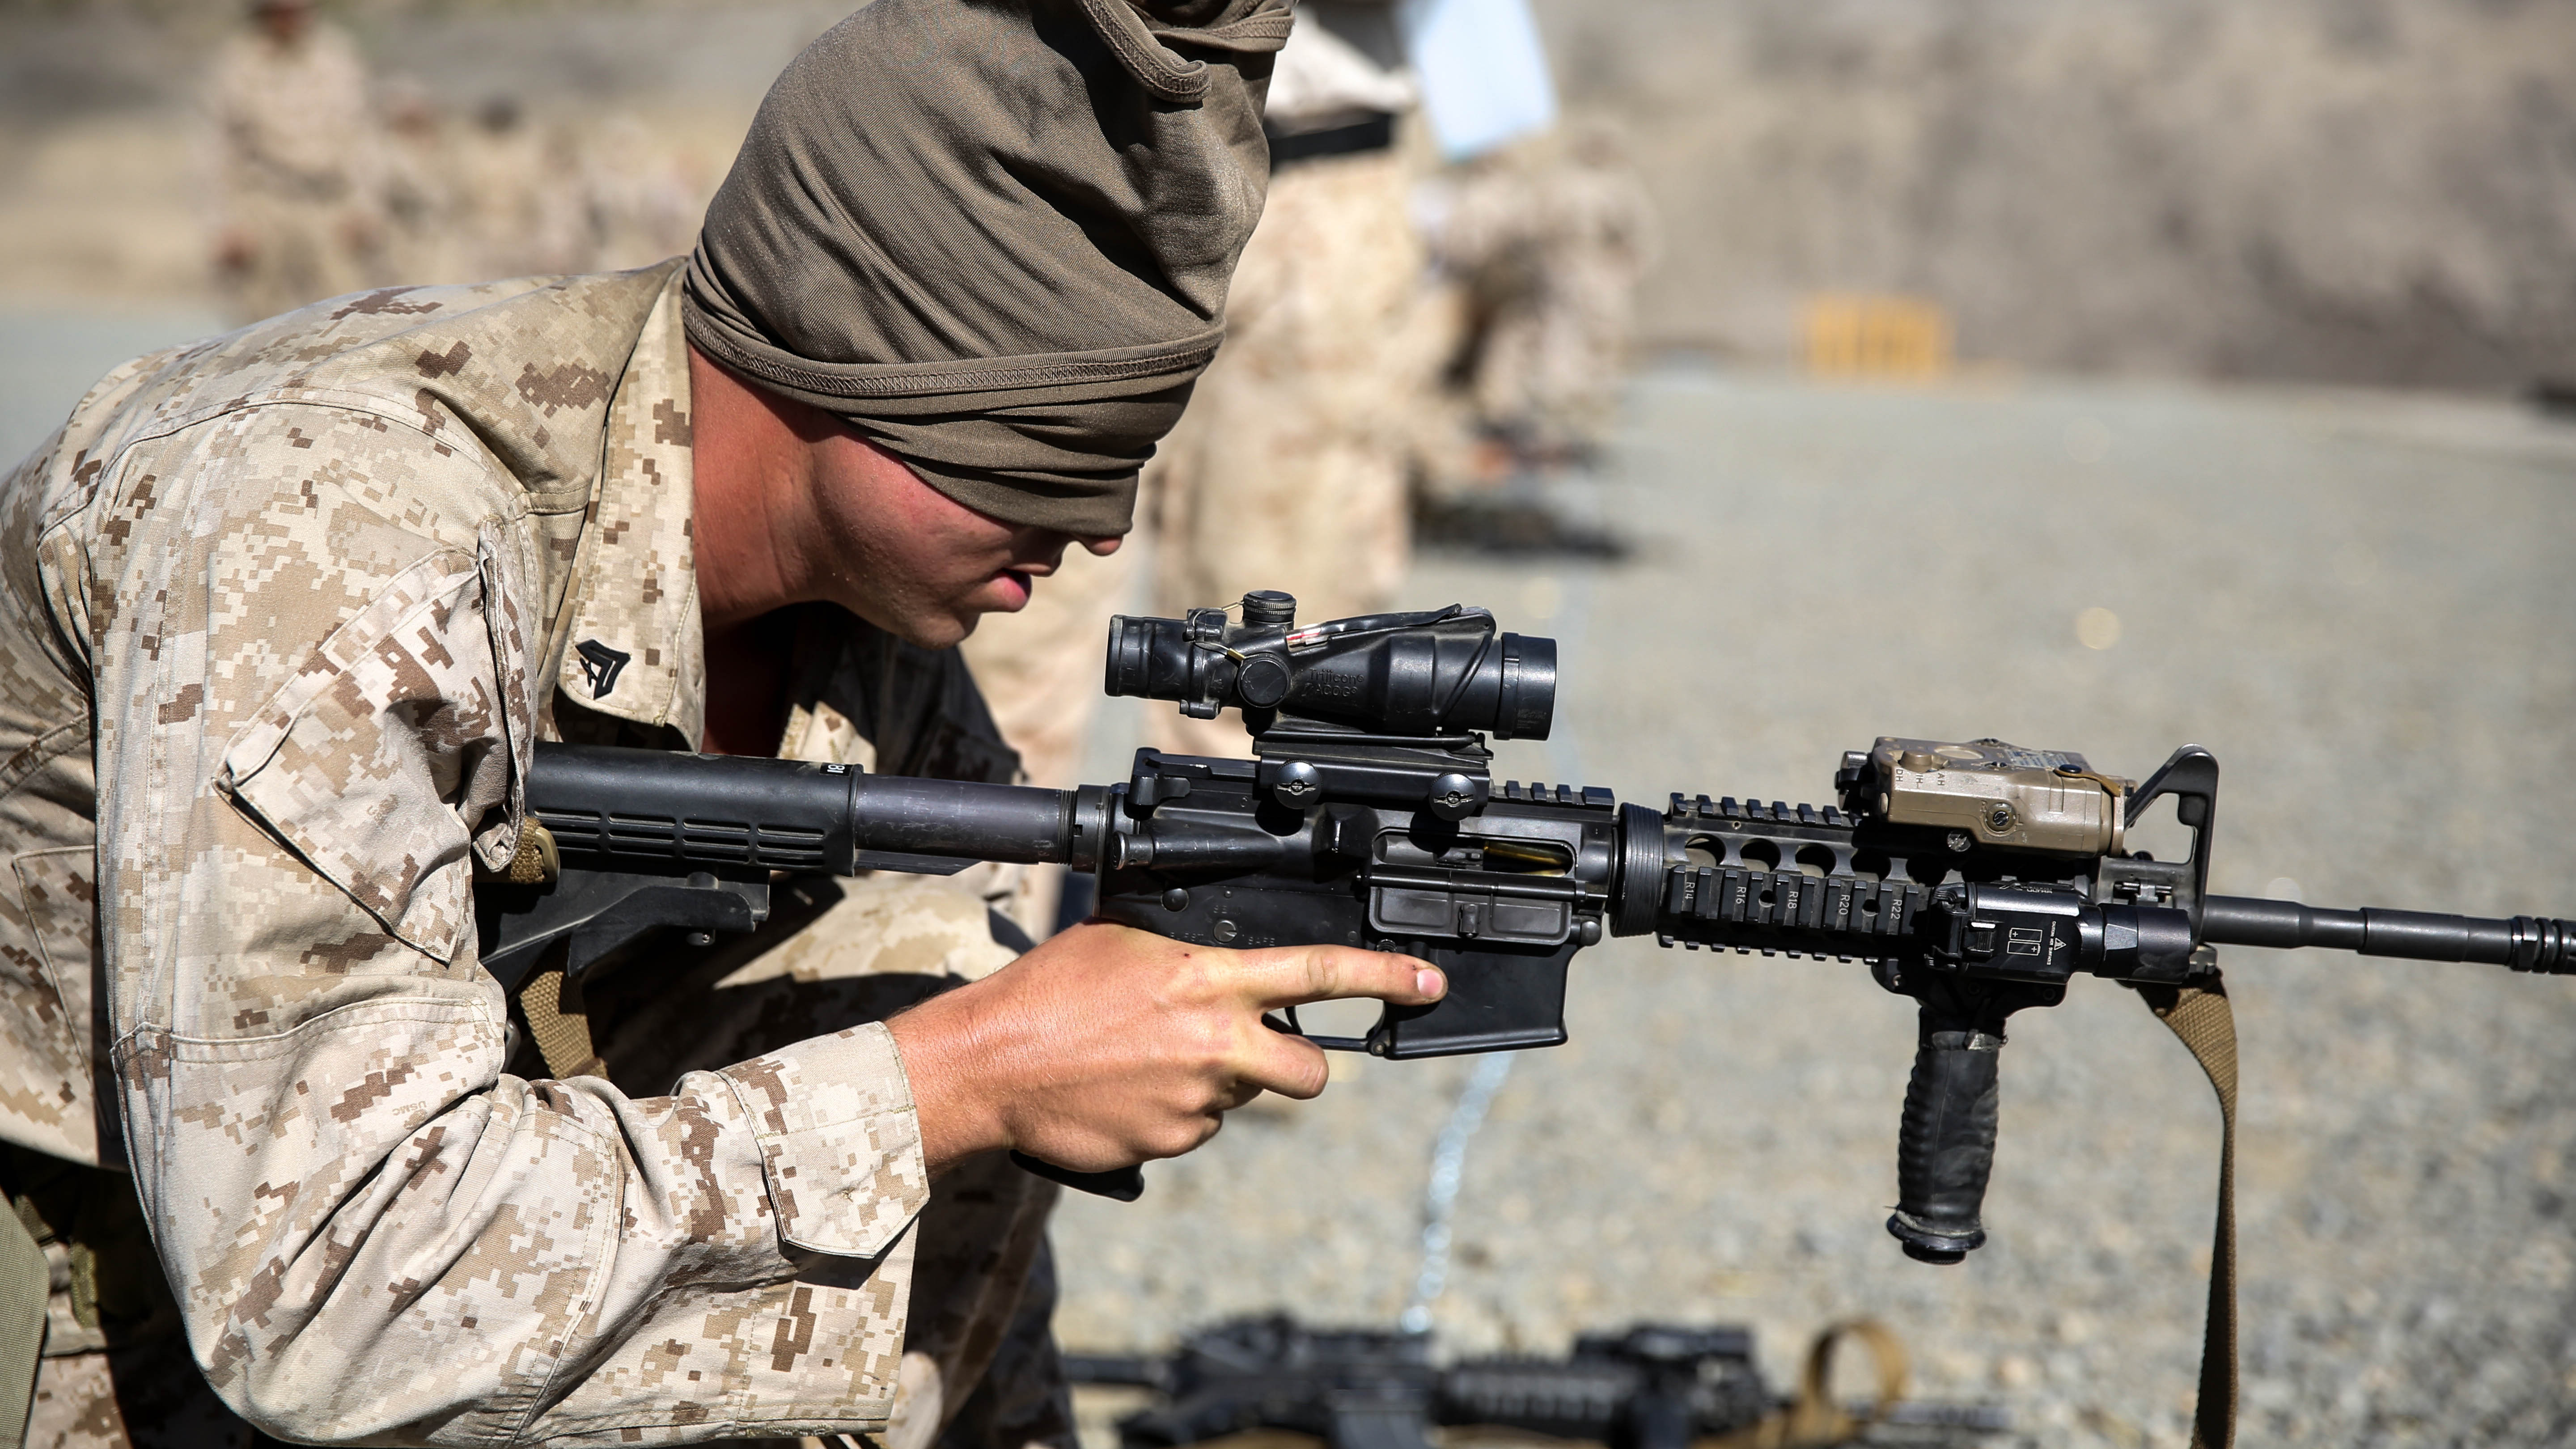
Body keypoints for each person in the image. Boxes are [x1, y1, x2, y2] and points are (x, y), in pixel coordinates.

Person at [0, 2, 1442, 1445]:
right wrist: (964, 1074)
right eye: (1048, 453)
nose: (1103, 528)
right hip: (103, 1314)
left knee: (943, 989)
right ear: (859, 359)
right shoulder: (328, 529)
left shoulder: (876, 617)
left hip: (401, 1255)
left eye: (1124, 458)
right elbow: (322, 1294)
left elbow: (966, 1234)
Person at [202, 0, 387, 324]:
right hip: (265, 203)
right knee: (258, 322)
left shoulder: (336, 55)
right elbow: (217, 148)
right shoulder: (240, 61)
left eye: (297, 10)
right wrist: (225, 225)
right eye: (280, 10)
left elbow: (363, 137)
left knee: (346, 316)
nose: (289, 17)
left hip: (330, 203)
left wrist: (365, 207)